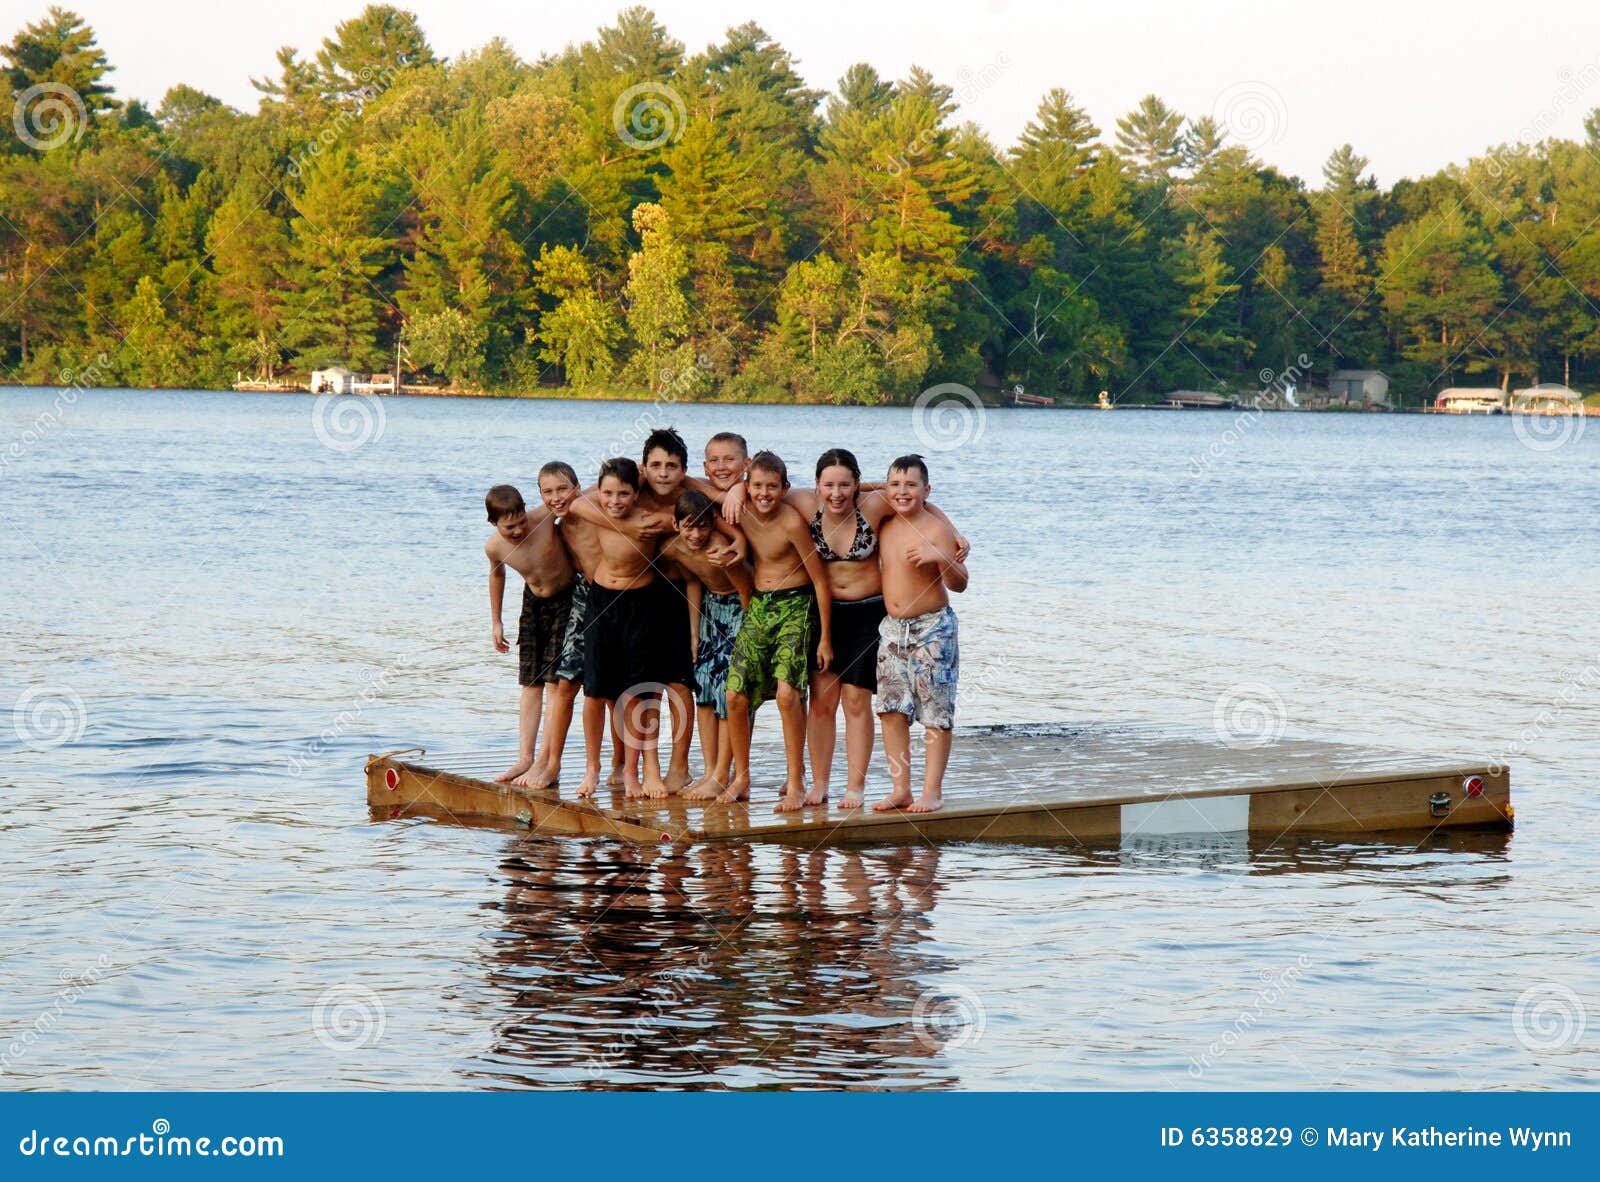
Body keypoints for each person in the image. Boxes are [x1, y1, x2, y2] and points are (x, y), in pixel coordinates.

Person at [722, 451, 833, 811]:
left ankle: (796, 781)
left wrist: (826, 636)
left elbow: (819, 579)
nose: (764, 493)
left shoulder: (790, 522)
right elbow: (698, 492)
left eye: (772, 487)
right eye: (757, 486)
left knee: (788, 694)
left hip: (796, 605)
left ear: (785, 488)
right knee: (734, 695)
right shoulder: (741, 510)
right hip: (759, 605)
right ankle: (741, 777)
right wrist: (737, 495)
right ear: (747, 486)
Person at [873, 455, 968, 815]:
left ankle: (932, 791)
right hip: (893, 630)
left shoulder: (935, 530)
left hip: (933, 627)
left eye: (911, 485)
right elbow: (864, 491)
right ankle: (901, 789)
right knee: (891, 709)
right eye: (895, 485)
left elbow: (961, 583)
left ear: (926, 491)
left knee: (935, 710)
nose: (902, 491)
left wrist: (939, 556)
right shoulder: (885, 524)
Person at [576, 457, 671, 800]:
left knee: (634, 693)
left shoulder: (650, 519)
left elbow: (689, 518)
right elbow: (573, 501)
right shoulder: (596, 509)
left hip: (639, 603)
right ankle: (593, 768)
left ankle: (632, 772)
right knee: (594, 692)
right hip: (602, 602)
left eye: (623, 494)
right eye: (608, 492)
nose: (615, 501)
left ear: (637, 492)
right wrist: (620, 522)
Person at [659, 489, 754, 801]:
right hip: (709, 611)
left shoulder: (720, 549)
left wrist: (747, 633)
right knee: (704, 688)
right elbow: (692, 581)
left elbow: (745, 590)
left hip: (738, 612)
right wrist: (694, 632)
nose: (696, 535)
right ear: (676, 525)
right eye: (688, 527)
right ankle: (711, 768)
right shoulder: (675, 547)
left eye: (702, 527)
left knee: (728, 693)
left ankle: (723, 773)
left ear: (713, 525)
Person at [483, 483, 574, 787]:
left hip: (566, 599)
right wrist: (496, 621)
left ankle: (546, 760)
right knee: (530, 682)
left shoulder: (544, 516)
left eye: (521, 522)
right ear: (494, 523)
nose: (519, 530)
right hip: (533, 604)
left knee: (553, 683)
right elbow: (497, 574)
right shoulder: (494, 546)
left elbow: (573, 498)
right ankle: (525, 757)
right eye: (510, 527)